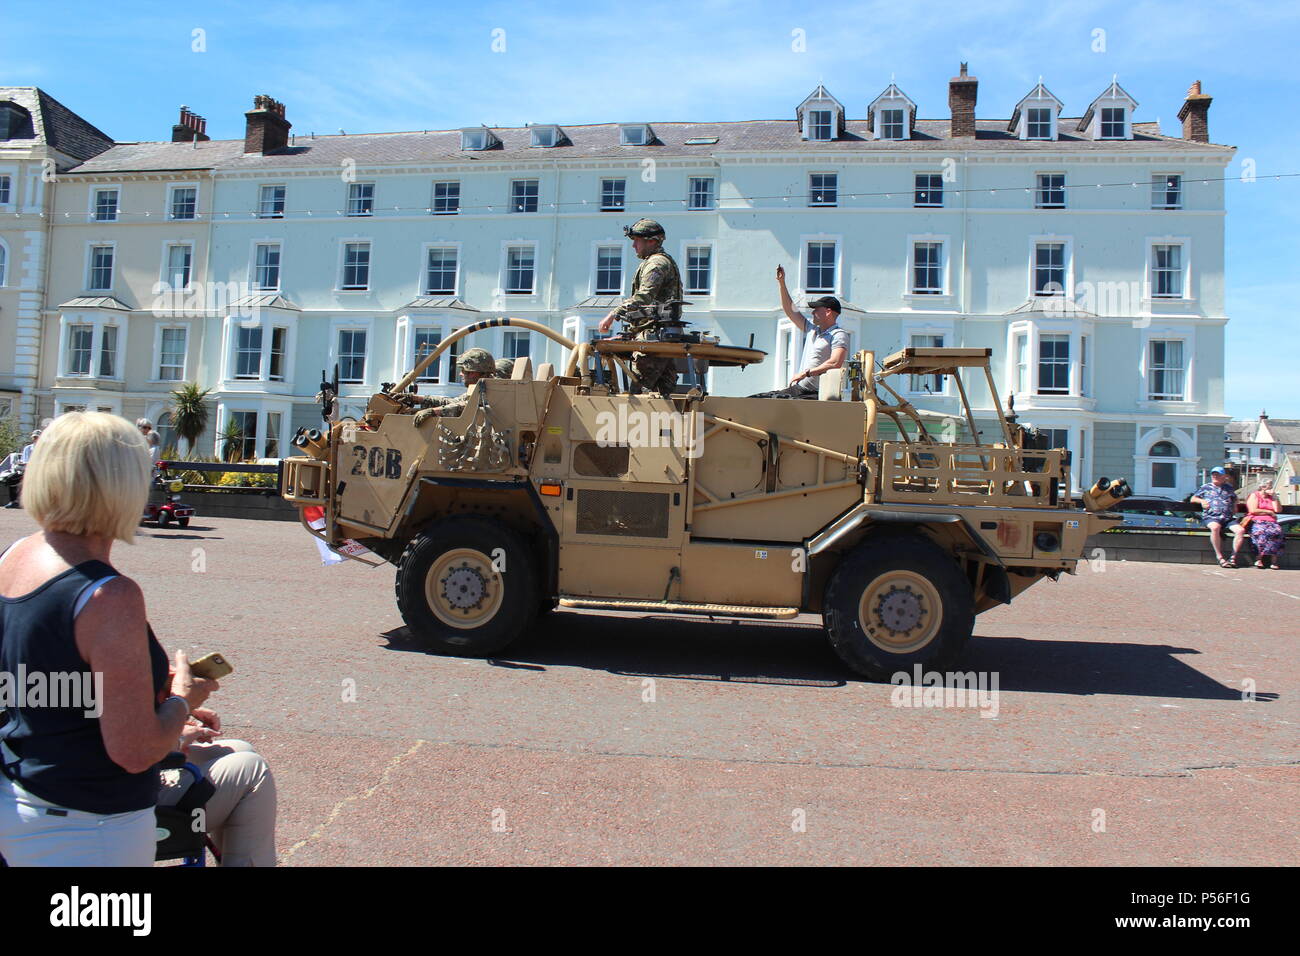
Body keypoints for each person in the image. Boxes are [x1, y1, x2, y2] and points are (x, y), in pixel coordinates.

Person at [0, 412, 218, 865]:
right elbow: (135, 750)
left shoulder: (15, 557)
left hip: (19, 800)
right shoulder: (108, 595)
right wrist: (182, 698)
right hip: (87, 828)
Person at [596, 219, 684, 397]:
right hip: (659, 338)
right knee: (661, 398)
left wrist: (614, 314)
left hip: (653, 341)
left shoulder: (656, 264)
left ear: (651, 241)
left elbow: (644, 296)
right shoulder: (656, 262)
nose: (634, 246)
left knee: (638, 399)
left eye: (637, 240)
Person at [749, 265, 850, 398]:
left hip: (816, 393)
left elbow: (835, 362)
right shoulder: (812, 330)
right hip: (801, 388)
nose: (813, 312)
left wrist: (805, 373)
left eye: (816, 309)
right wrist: (782, 283)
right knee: (756, 400)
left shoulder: (838, 335)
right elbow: (791, 310)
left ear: (828, 311)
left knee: (769, 403)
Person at [411, 347, 498, 425]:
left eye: (463, 370)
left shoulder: (493, 390)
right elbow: (453, 402)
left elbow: (467, 407)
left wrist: (434, 412)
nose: (460, 374)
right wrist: (417, 399)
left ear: (474, 371)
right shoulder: (480, 389)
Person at [1190, 466, 1244, 568]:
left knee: (1240, 531)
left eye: (1218, 474)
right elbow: (1193, 498)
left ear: (1224, 476)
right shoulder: (1206, 487)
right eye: (1213, 474)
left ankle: (1233, 557)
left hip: (1227, 517)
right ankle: (1220, 557)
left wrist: (1235, 505)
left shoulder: (1228, 487)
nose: (1215, 476)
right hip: (1211, 517)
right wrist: (1201, 501)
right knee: (1215, 528)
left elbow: (1235, 498)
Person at [1244, 485, 1284, 570]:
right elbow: (1253, 510)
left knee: (1277, 532)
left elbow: (1278, 510)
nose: (1270, 489)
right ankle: (1259, 559)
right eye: (1268, 487)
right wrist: (1269, 512)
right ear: (1262, 487)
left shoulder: (1271, 497)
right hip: (1256, 520)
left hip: (1271, 521)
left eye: (1271, 487)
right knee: (1261, 532)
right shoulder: (1254, 495)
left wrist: (1275, 496)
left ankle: (1274, 561)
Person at [2, 430, 38, 509]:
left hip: (37, 471)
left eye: (37, 437)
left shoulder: (43, 448)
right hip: (24, 469)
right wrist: (20, 463)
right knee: (11, 479)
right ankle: (14, 501)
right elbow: (24, 460)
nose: (36, 439)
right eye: (35, 437)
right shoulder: (28, 448)